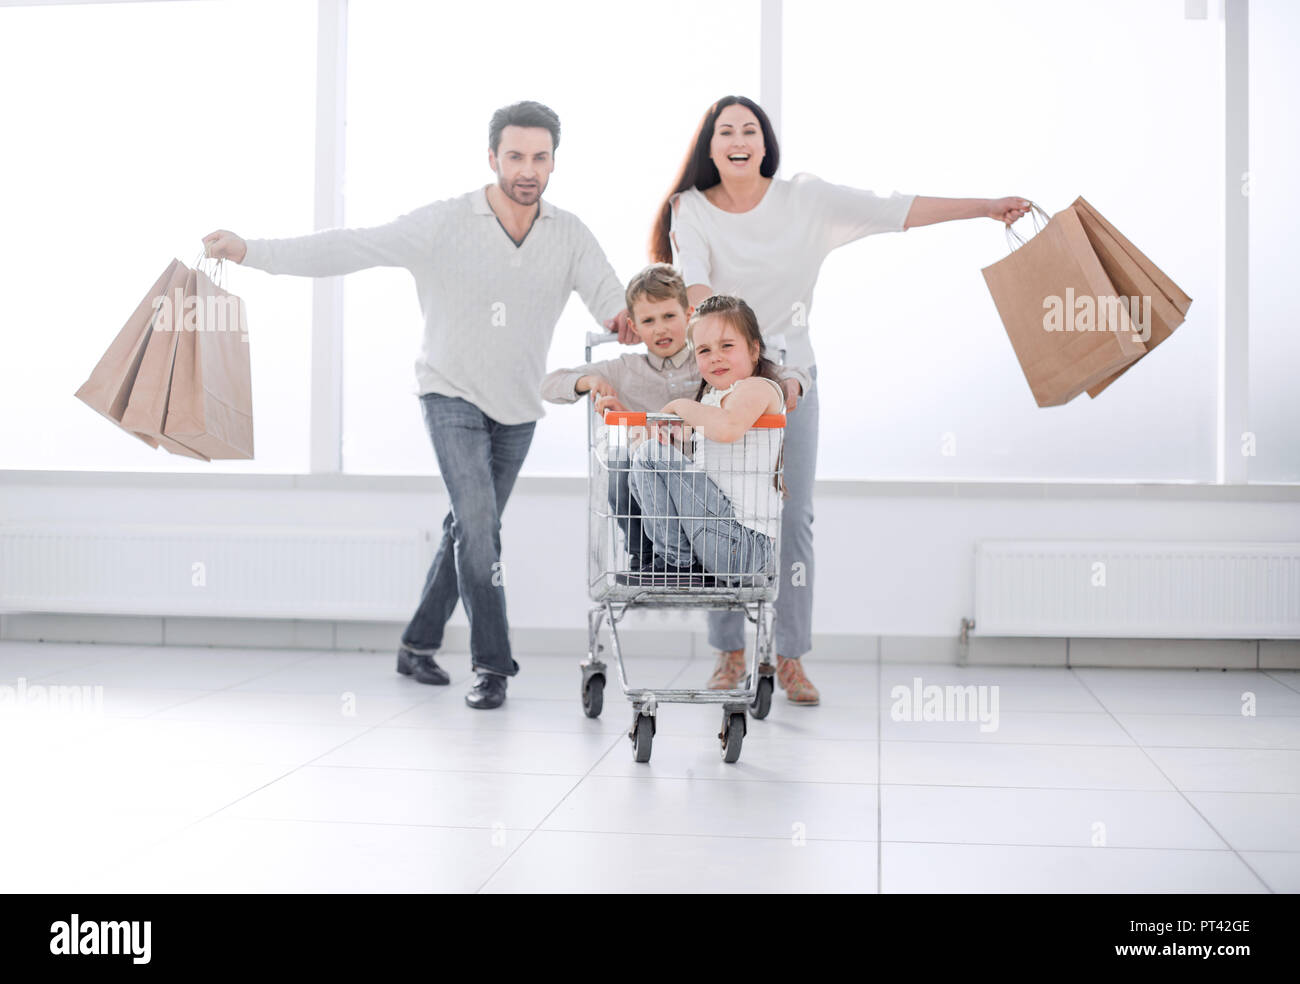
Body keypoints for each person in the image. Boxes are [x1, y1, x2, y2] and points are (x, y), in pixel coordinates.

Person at [201, 101, 630, 710]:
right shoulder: (446, 222)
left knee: (467, 529)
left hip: (518, 407)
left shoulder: (569, 233)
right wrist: (253, 250)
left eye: (540, 157)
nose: (527, 169)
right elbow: (353, 246)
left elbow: (611, 298)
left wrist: (629, 320)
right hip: (448, 392)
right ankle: (492, 666)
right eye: (515, 156)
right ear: (492, 158)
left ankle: (416, 644)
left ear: (554, 161)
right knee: (481, 529)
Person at [641, 95, 1030, 705]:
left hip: (791, 375)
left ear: (765, 143)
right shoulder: (689, 208)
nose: (738, 139)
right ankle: (730, 652)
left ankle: (789, 657)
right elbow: (694, 278)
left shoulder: (806, 200)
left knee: (792, 518)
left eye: (750, 129)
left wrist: (985, 208)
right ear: (709, 148)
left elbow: (895, 210)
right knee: (715, 511)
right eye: (725, 132)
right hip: (719, 374)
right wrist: (712, 339)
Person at [541, 263, 700, 573]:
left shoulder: (706, 359)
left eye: (669, 316)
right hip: (644, 483)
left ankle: (695, 556)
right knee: (619, 458)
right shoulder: (625, 369)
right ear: (635, 327)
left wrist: (794, 382)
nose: (660, 329)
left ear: (688, 314)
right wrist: (588, 382)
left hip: (694, 480)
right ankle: (644, 557)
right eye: (648, 321)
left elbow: (771, 368)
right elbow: (548, 385)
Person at [629, 294, 786, 602]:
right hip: (718, 539)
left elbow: (728, 428)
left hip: (742, 545)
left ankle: (677, 562)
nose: (715, 356)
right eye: (704, 350)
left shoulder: (758, 388)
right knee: (643, 457)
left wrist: (678, 405)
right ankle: (678, 560)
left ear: (754, 350)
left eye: (727, 346)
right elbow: (701, 448)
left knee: (648, 457)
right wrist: (665, 438)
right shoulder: (713, 399)